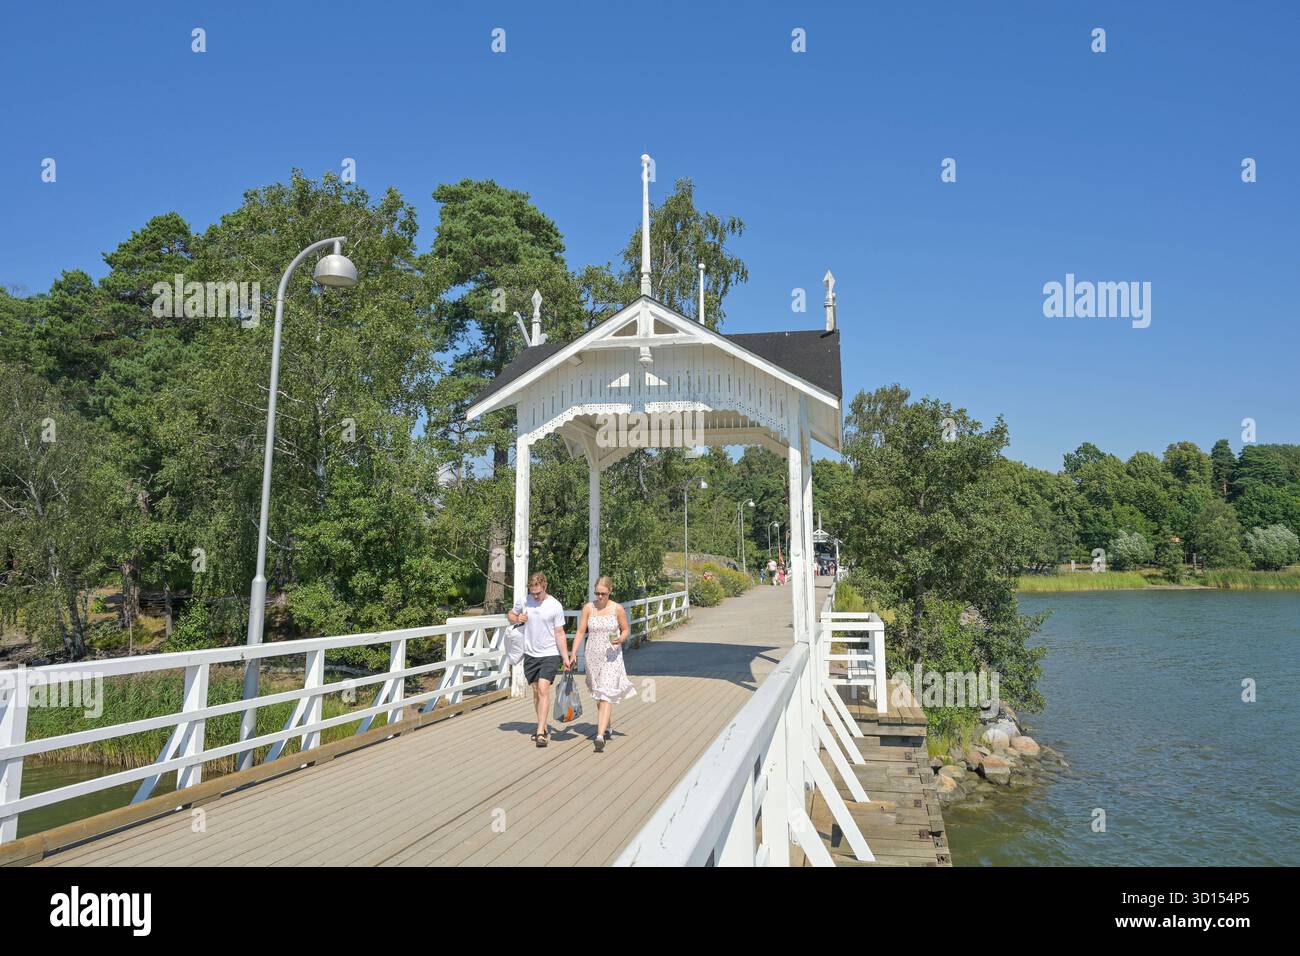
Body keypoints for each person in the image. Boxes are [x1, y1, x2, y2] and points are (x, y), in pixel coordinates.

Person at [571, 576, 636, 753]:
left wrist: (621, 638)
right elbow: (580, 631)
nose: (600, 597)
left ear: (610, 592)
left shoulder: (617, 608)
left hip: (611, 656)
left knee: (606, 693)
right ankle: (607, 725)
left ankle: (599, 736)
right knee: (600, 696)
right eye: (597, 593)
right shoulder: (588, 608)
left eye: (603, 594)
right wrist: (574, 652)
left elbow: (625, 630)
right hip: (593, 655)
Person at [507, 571, 569, 748]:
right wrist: (517, 617)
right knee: (536, 691)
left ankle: (541, 731)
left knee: (543, 688)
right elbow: (510, 615)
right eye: (533, 592)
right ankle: (541, 723)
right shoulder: (524, 601)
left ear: (545, 587)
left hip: (549, 653)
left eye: (538, 592)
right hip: (530, 654)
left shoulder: (555, 605)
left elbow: (559, 633)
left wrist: (565, 657)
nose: (535, 596)